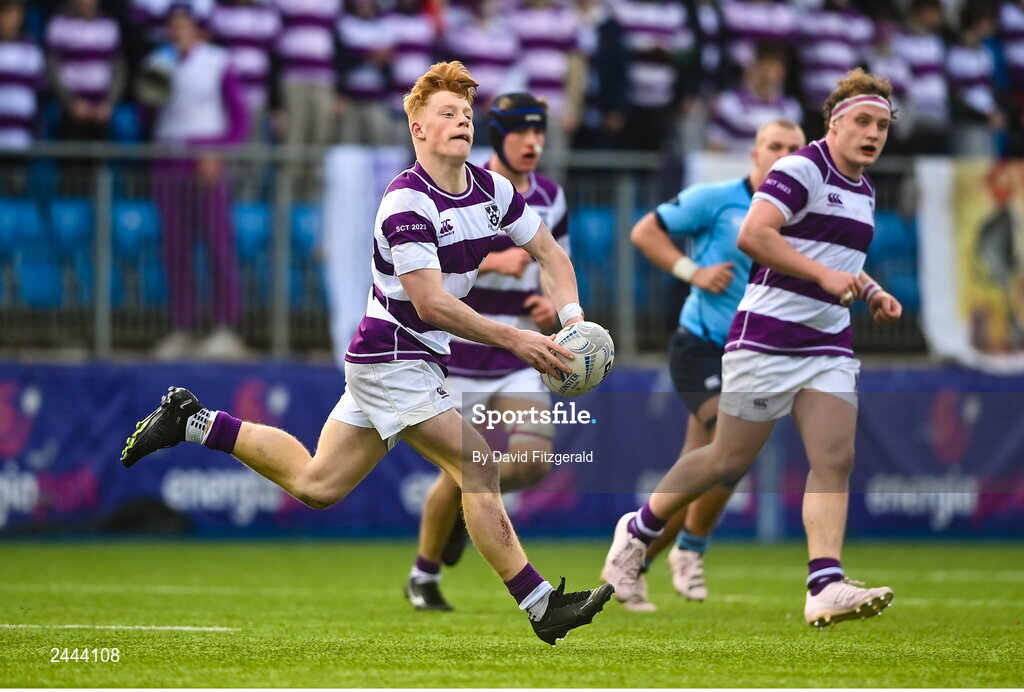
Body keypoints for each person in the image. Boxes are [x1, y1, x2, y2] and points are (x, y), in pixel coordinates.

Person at [120, 60, 613, 646]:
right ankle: (541, 606)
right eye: (446, 115)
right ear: (418, 131)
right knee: (477, 465)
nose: (460, 123)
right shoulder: (405, 202)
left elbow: (551, 254)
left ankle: (194, 421)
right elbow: (431, 304)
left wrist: (573, 324)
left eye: (466, 114)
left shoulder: (493, 190)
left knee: (316, 484)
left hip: (411, 358)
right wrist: (518, 339)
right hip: (392, 355)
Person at [602, 67, 903, 629]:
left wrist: (872, 290)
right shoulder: (801, 167)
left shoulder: (864, 190)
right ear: (834, 125)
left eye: (882, 125)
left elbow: (842, 268)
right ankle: (639, 528)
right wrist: (821, 275)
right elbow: (754, 236)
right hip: (766, 339)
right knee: (726, 458)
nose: (873, 133)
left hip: (828, 342)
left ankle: (824, 583)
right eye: (862, 121)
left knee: (835, 458)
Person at [622, 118, 805, 612]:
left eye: (794, 148)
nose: (784, 155)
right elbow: (645, 231)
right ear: (755, 153)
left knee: (701, 471)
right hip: (701, 345)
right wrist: (692, 272)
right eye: (775, 146)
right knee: (729, 451)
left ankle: (630, 562)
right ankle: (691, 550)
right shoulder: (717, 198)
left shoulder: (805, 214)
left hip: (756, 353)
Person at [405, 92, 570, 612]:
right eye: (522, 131)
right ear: (498, 135)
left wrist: (555, 312)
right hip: (456, 353)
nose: (533, 142)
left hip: (514, 353)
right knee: (466, 468)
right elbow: (430, 289)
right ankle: (423, 575)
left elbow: (552, 263)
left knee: (532, 460)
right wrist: (490, 265)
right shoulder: (457, 183)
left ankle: (465, 507)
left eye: (540, 132)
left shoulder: (550, 197)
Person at [147, 2, 249, 360]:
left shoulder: (218, 61)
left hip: (206, 161)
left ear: (197, 28)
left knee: (217, 245)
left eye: (184, 25)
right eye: (172, 26)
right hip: (169, 158)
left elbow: (239, 117)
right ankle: (184, 328)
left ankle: (225, 328)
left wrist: (220, 154)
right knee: (175, 249)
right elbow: (149, 111)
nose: (177, 32)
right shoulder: (157, 63)